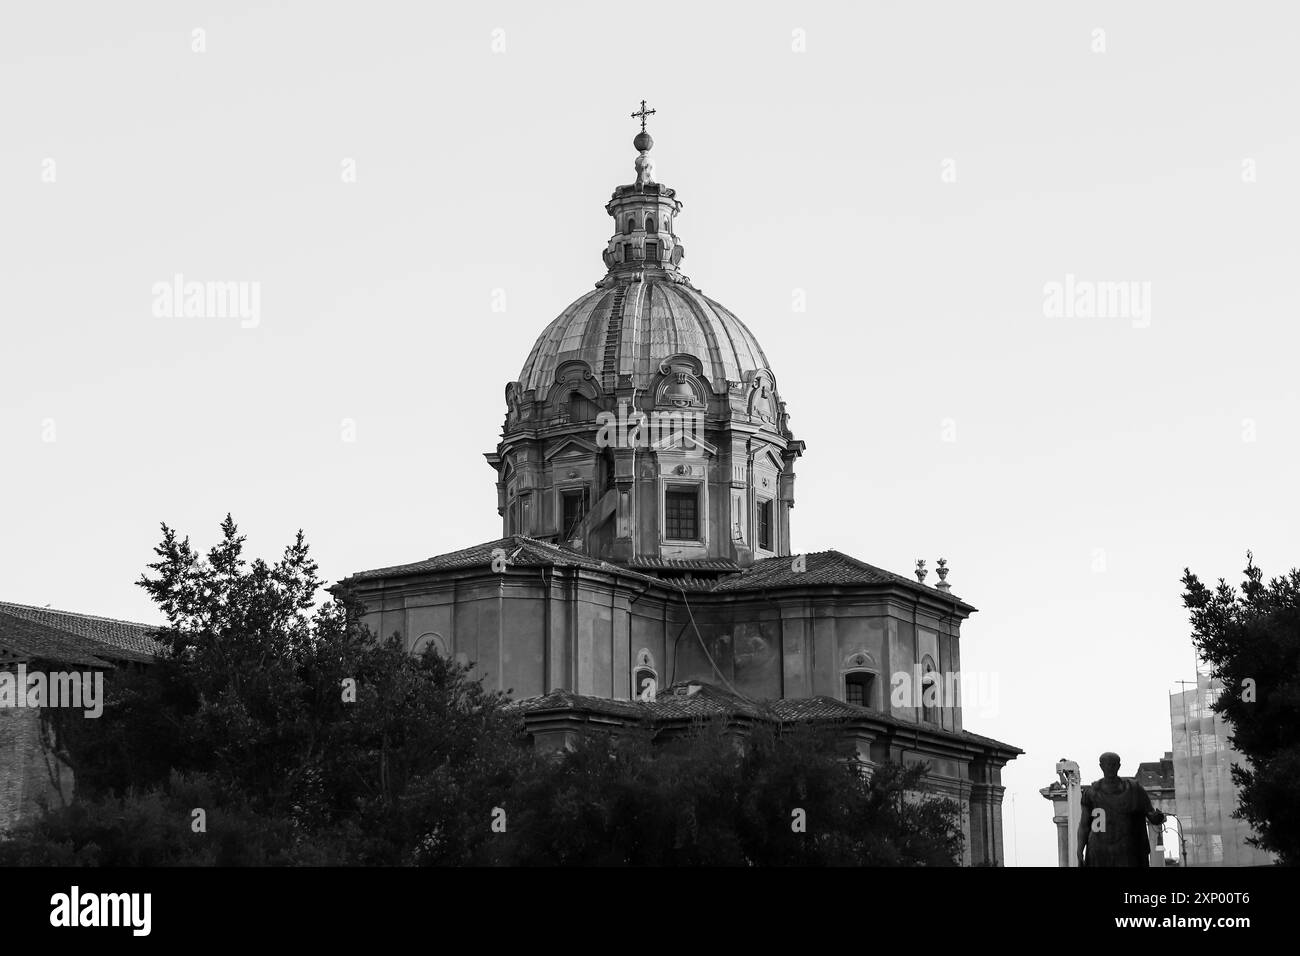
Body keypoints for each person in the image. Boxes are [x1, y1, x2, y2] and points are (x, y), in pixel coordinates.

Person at [1077, 752, 1166, 867]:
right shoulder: (1091, 793)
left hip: (1126, 850)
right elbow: (1084, 825)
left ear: (1118, 766)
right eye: (1107, 764)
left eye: (1113, 764)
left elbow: (1150, 814)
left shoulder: (1134, 789)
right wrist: (1079, 850)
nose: (1110, 767)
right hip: (1099, 852)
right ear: (1101, 766)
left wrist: (1156, 817)